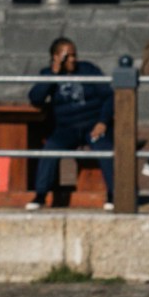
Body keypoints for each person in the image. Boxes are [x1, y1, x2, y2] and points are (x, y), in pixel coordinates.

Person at [21, 35, 109, 207]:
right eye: (67, 56)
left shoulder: (88, 69)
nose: (72, 59)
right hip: (66, 127)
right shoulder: (48, 74)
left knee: (107, 149)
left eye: (74, 55)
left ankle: (113, 195)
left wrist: (103, 121)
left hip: (92, 124)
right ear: (56, 57)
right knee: (50, 149)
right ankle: (40, 195)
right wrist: (53, 75)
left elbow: (108, 96)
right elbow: (36, 98)